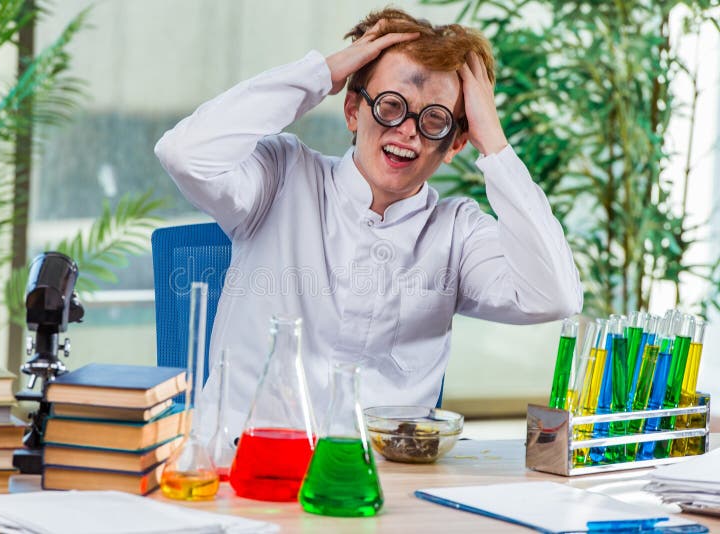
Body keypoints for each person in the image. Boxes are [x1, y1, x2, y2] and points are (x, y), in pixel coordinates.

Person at [155, 8, 582, 438]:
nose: (408, 132)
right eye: (390, 106)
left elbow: (554, 296)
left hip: (381, 481)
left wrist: (494, 142)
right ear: (354, 111)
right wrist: (320, 74)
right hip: (246, 469)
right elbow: (184, 154)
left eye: (435, 119)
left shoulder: (457, 232)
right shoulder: (281, 176)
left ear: (455, 143)